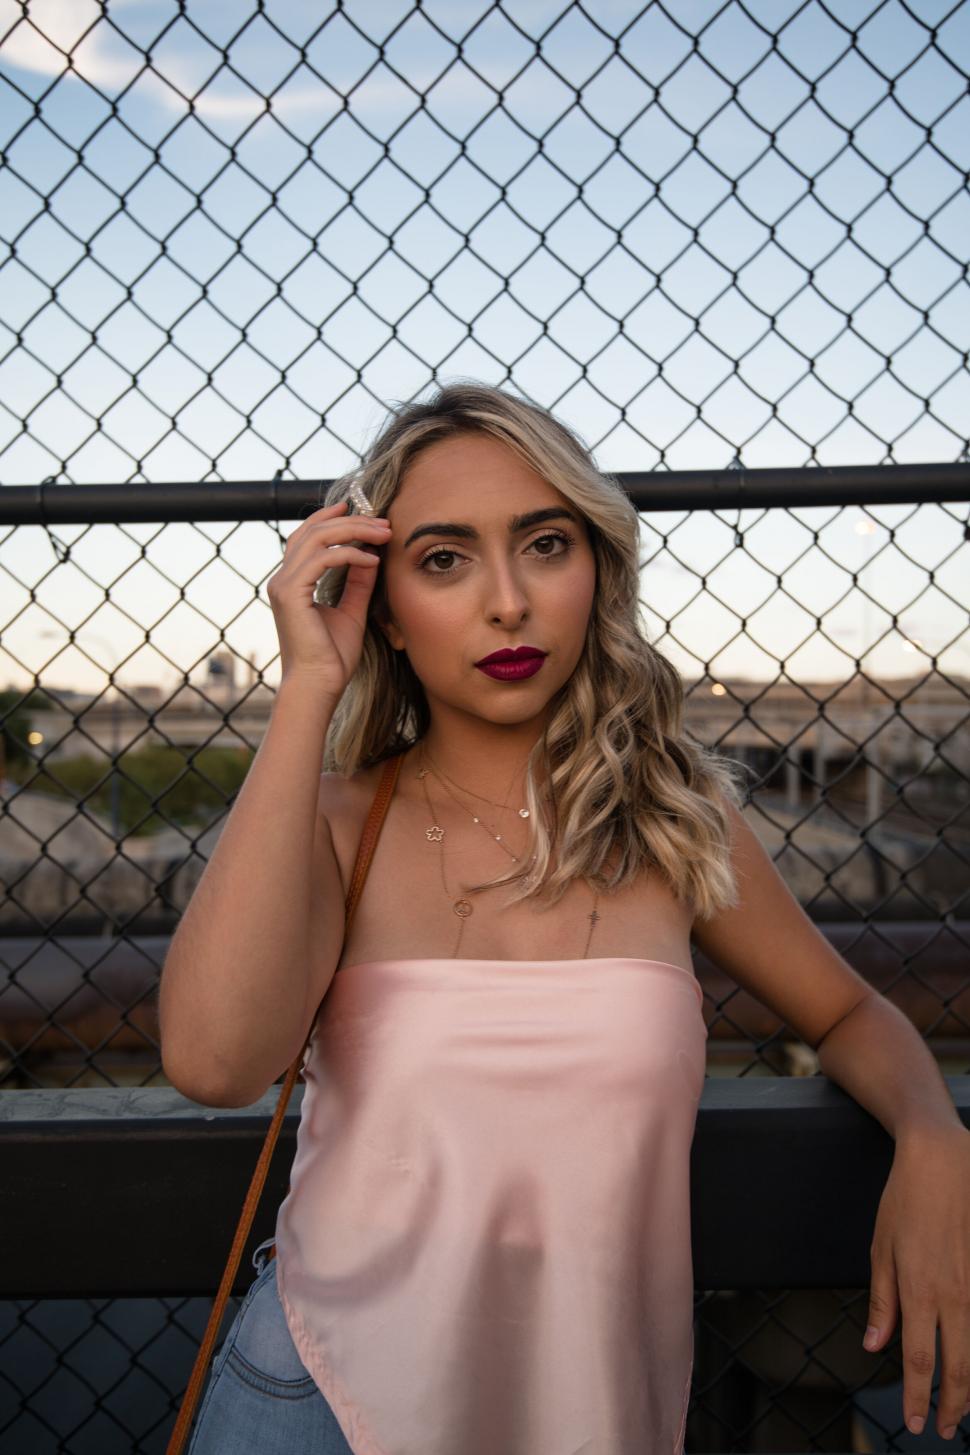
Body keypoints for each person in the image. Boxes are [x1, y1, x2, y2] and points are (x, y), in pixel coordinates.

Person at [159, 380, 926, 1454]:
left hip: (588, 1414)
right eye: (443, 559)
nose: (507, 601)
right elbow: (210, 1063)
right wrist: (305, 691)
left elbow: (847, 1014)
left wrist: (934, 1140)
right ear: (383, 604)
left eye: (545, 544)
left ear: (595, 567)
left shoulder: (672, 823)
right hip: (322, 1404)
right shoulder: (339, 822)